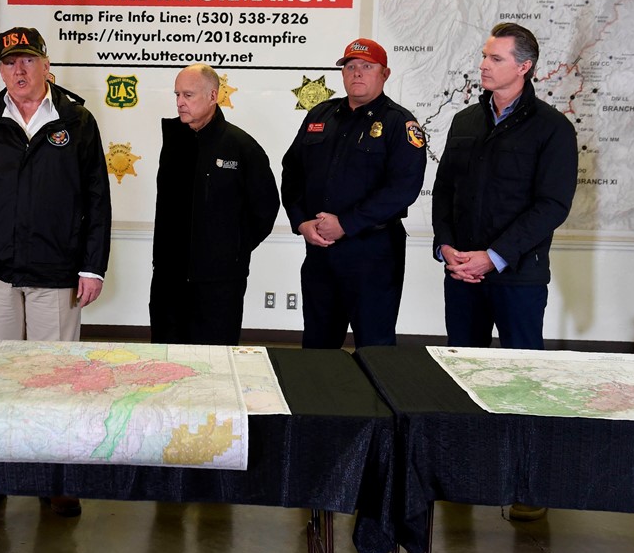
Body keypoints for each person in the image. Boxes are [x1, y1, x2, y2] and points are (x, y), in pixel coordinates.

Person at [0, 26, 111, 519]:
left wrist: (92, 267)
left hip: (56, 272)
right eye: (10, 62)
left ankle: (55, 479)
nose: (20, 70)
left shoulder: (77, 121)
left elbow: (97, 200)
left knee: (55, 381)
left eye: (28, 60)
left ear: (45, 64)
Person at [432, 22, 577, 523]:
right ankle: (465, 474)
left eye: (495, 58)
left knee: (522, 380)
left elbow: (551, 206)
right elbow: (445, 191)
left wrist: (493, 256)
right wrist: (448, 247)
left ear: (524, 66)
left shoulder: (553, 128)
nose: (483, 65)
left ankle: (529, 483)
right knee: (462, 375)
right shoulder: (465, 122)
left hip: (517, 276)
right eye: (484, 57)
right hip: (462, 274)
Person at [280, 38, 426, 349]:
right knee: (318, 345)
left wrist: (346, 223)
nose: (357, 73)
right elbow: (292, 171)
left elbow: (403, 188)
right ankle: (317, 399)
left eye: (366, 67)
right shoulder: (320, 116)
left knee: (375, 347)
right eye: (350, 67)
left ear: (384, 74)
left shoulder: (399, 123)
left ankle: (374, 400)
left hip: (373, 253)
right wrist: (301, 221)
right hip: (321, 252)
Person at [149, 63, 279, 344]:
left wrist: (231, 249)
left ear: (213, 96)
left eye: (188, 95)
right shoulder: (174, 142)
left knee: (215, 359)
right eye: (177, 95)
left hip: (219, 283)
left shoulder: (241, 147)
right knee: (164, 360)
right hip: (169, 279)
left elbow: (265, 209)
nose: (180, 102)